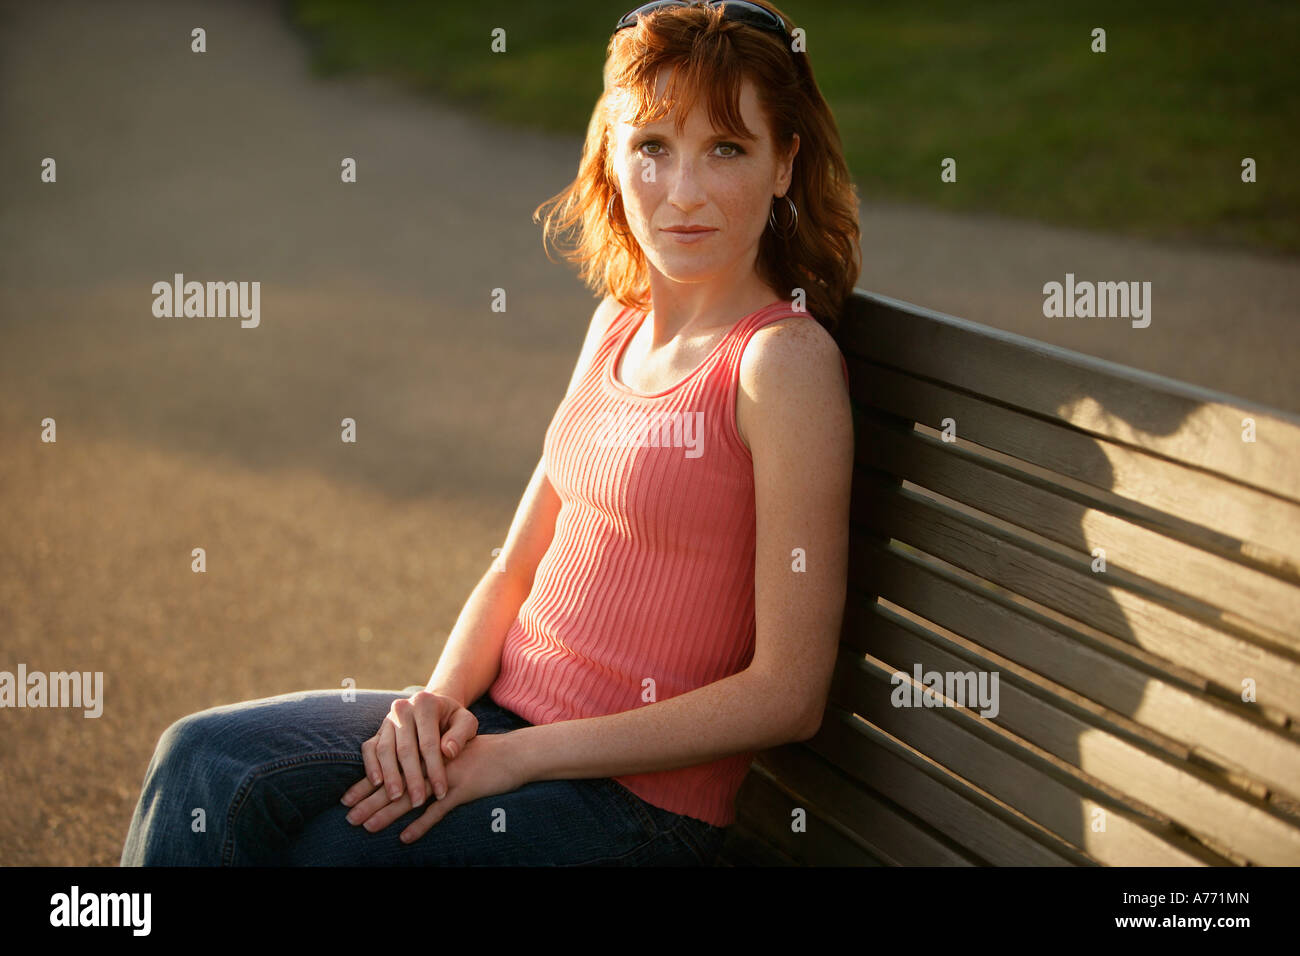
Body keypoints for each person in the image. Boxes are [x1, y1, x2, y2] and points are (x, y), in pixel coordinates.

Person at [121, 0, 860, 867]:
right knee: (203, 761)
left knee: (329, 856)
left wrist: (515, 759)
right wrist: (433, 706)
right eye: (653, 146)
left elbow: (787, 694)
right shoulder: (616, 323)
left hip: (636, 809)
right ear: (614, 158)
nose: (684, 191)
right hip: (500, 722)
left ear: (784, 164)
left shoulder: (782, 365)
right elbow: (513, 568)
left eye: (726, 149)